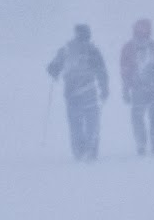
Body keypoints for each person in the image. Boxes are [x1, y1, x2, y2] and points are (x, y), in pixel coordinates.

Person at [47, 24, 109, 161]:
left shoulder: (66, 49)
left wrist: (53, 70)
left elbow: (53, 67)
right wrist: (104, 89)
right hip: (89, 91)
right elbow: (101, 71)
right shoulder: (92, 50)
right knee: (92, 121)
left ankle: (78, 150)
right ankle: (91, 150)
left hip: (71, 92)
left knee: (75, 122)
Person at [120, 18, 154, 155]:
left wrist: (126, 89)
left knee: (141, 118)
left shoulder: (129, 48)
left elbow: (125, 71)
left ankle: (145, 145)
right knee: (153, 118)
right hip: (153, 88)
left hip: (141, 89)